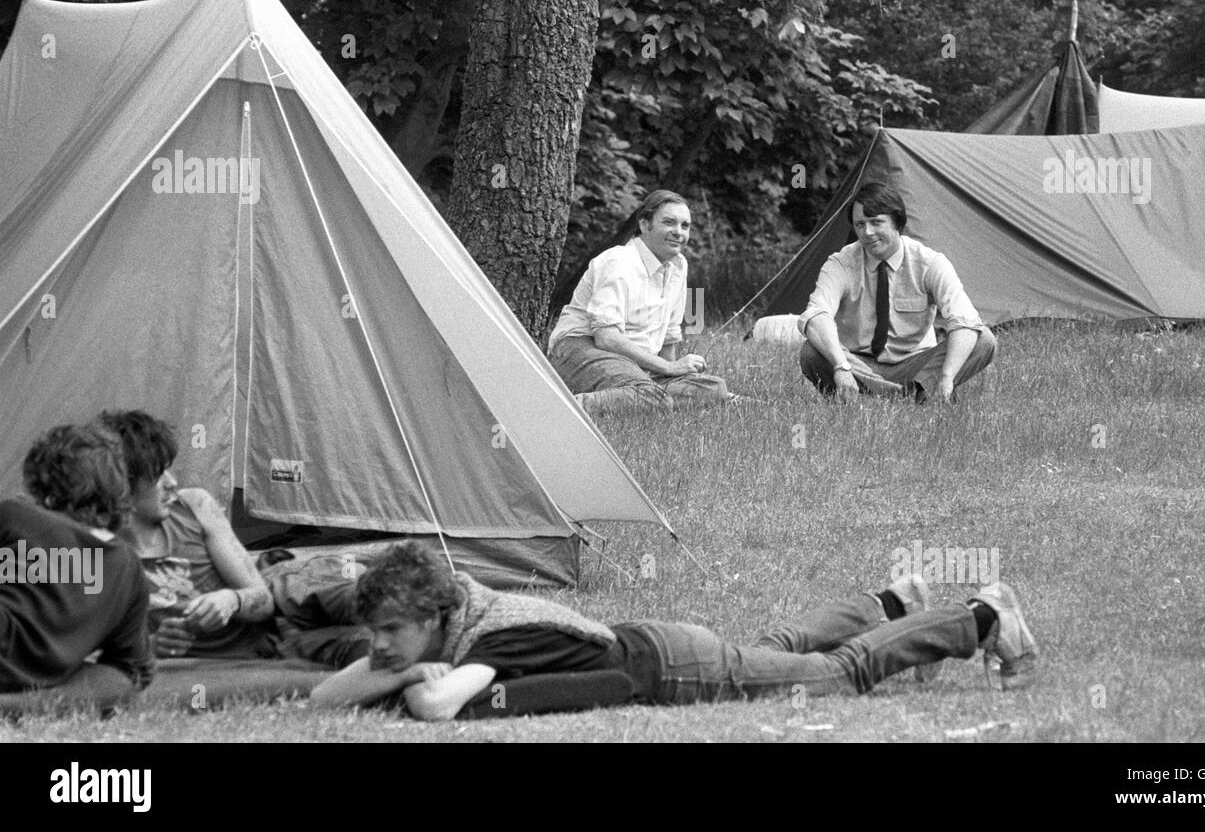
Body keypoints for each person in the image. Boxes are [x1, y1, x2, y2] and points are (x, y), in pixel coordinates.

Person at [310, 541, 1039, 720]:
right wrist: (396, 663)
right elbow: (321, 704)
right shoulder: (461, 614)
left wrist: (409, 677)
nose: (380, 647)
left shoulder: (500, 636)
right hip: (659, 642)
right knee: (769, 649)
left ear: (436, 619)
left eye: (393, 633)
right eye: (376, 633)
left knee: (837, 676)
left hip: (671, 665)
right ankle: (891, 600)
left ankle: (980, 618)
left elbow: (439, 707)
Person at [99, 410, 369, 667]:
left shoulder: (195, 507)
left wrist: (230, 601)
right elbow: (83, 650)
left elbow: (262, 600)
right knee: (369, 647)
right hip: (257, 657)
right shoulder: (94, 558)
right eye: (159, 475)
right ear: (123, 486)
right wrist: (151, 645)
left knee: (350, 586)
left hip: (279, 618)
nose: (172, 482)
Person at [799, 182, 998, 403]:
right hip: (856, 363)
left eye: (876, 222)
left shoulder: (930, 263)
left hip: (914, 363)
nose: (868, 233)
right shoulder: (840, 264)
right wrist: (841, 365)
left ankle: (902, 393)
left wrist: (947, 375)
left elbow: (965, 320)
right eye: (860, 224)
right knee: (812, 352)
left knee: (983, 340)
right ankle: (908, 397)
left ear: (897, 222)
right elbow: (816, 315)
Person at [1, 424, 153, 713]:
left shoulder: (14, 517)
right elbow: (131, 673)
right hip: (41, 680)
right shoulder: (128, 567)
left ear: (44, 490)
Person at [548, 190, 732, 413]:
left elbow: (668, 337)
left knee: (715, 388)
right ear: (645, 225)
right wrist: (668, 367)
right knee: (652, 397)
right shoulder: (619, 261)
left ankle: (638, 398)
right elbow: (606, 338)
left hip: (635, 365)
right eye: (669, 222)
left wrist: (670, 373)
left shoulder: (679, 266)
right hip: (581, 347)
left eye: (685, 226)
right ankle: (554, 410)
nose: (679, 232)